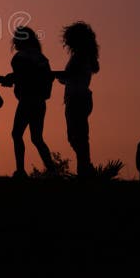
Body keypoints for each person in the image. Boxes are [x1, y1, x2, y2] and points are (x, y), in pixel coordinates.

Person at [0, 26, 57, 178]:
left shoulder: (19, 57)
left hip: (26, 100)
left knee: (16, 134)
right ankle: (52, 170)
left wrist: (9, 79)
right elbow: (44, 77)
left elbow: (22, 76)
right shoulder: (41, 57)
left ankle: (20, 171)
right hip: (40, 101)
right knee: (37, 138)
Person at [55, 21, 99, 178]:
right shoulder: (85, 56)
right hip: (82, 97)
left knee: (76, 136)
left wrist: (52, 74)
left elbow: (68, 76)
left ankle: (85, 167)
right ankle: (85, 166)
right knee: (79, 135)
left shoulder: (79, 56)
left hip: (76, 98)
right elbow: (69, 77)